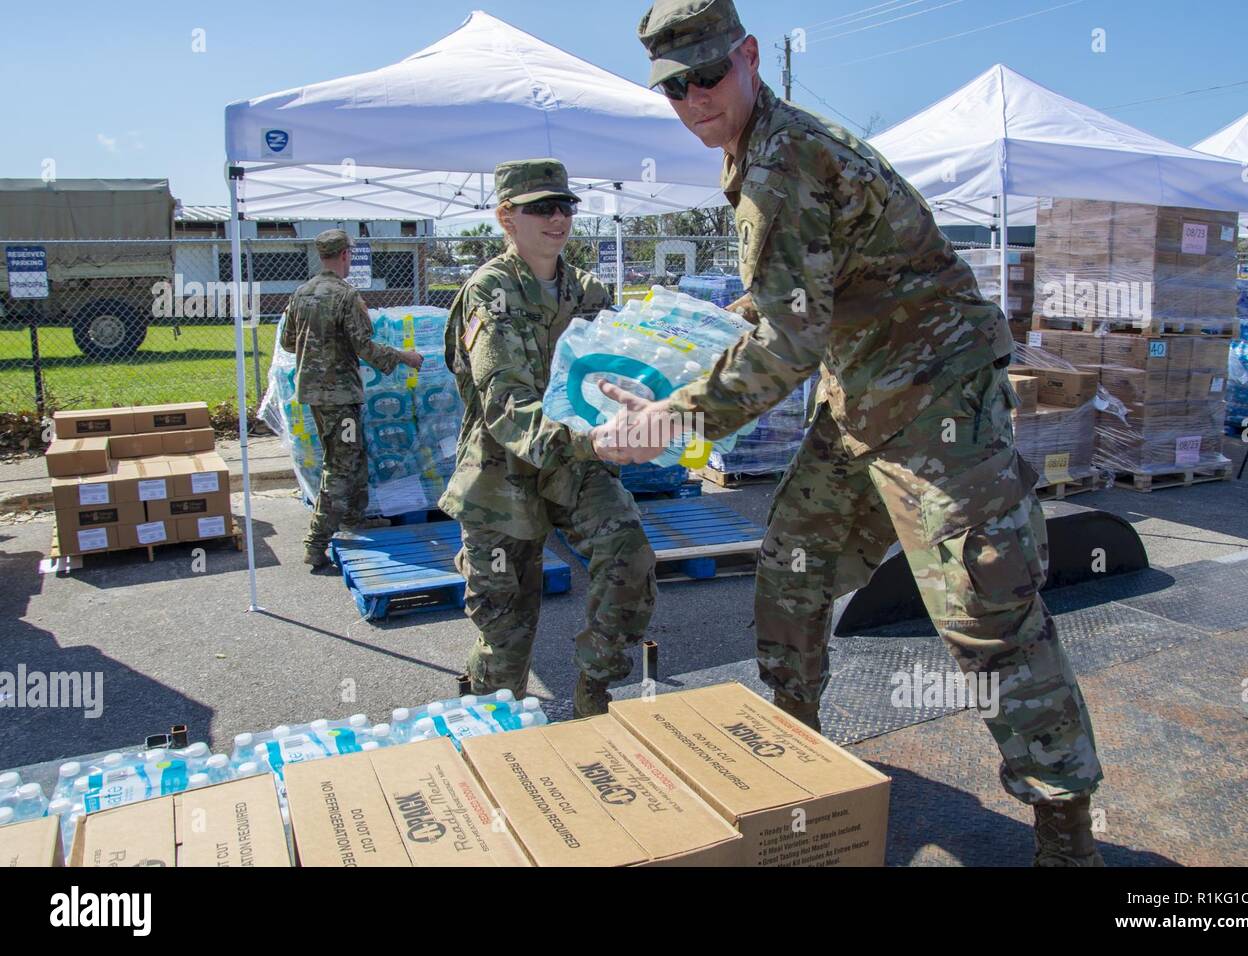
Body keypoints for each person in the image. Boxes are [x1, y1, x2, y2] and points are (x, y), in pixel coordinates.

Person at [593, 0, 1105, 866]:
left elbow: (789, 341)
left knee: (988, 617)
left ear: (749, 57)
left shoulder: (782, 164)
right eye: (673, 87)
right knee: (792, 573)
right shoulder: (759, 150)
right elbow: (807, 293)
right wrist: (721, 329)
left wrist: (675, 420)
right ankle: (799, 767)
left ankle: (1065, 834)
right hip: (860, 394)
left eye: (707, 76)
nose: (693, 99)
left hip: (938, 404)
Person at [439, 159, 657, 717]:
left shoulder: (588, 292)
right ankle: (491, 725)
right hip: (500, 472)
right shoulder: (489, 292)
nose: (557, 218)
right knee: (507, 628)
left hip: (575, 465)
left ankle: (594, 690)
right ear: (506, 217)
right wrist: (595, 442)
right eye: (541, 208)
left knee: (628, 555)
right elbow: (505, 408)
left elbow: (613, 372)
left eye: (564, 206)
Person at [280, 229, 423, 568]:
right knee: (341, 465)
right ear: (345, 254)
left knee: (354, 454)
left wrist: (318, 348)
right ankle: (316, 544)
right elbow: (365, 347)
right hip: (340, 395)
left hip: (314, 393)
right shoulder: (346, 296)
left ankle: (354, 519)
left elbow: (288, 341)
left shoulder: (301, 293)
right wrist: (405, 357)